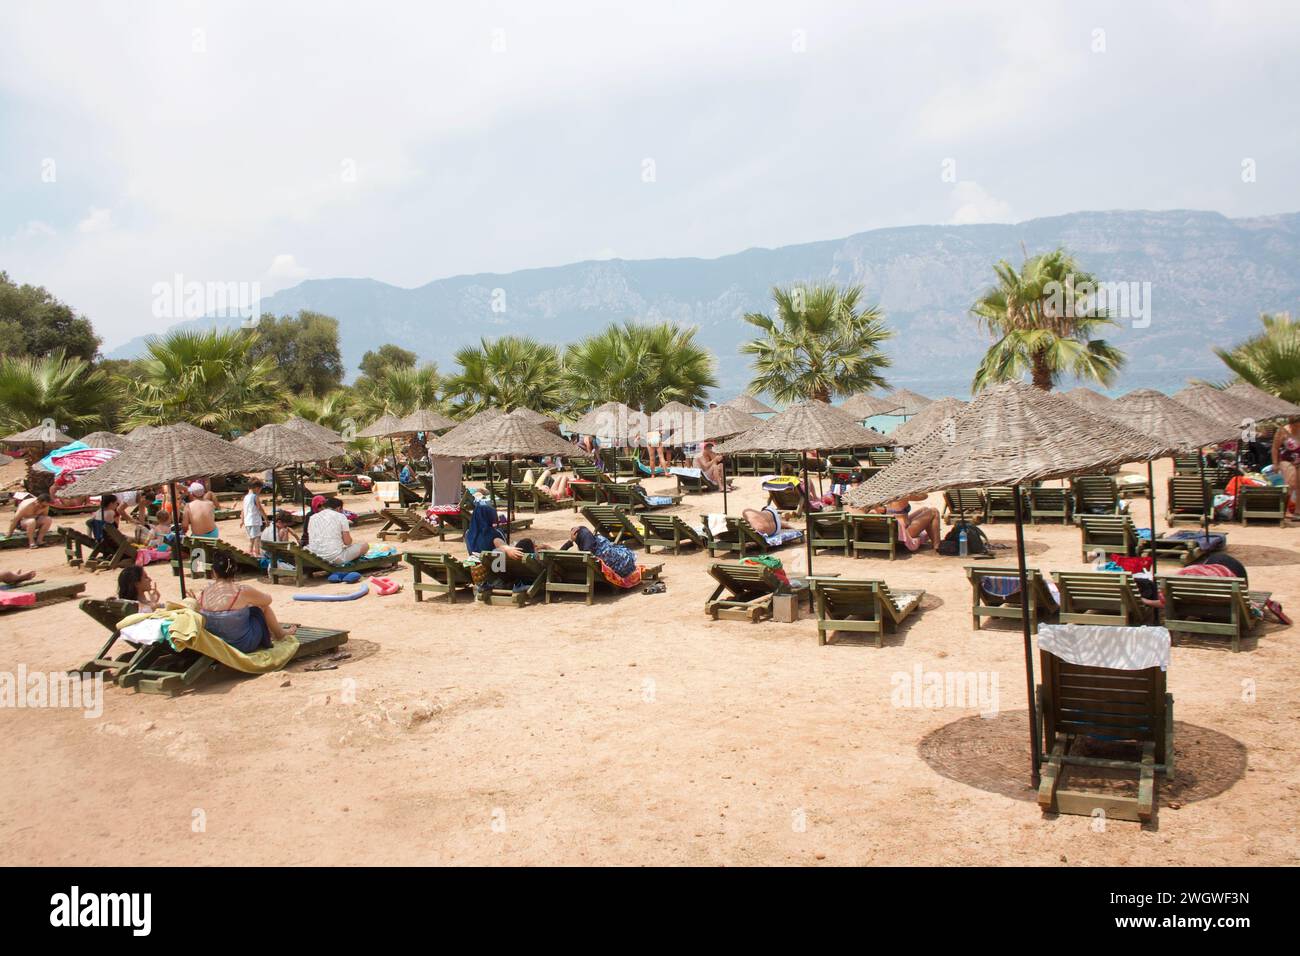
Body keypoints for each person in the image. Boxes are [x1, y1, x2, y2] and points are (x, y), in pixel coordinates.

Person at [197, 551, 295, 652]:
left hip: (215, 644)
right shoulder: (241, 590)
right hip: (242, 645)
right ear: (234, 571)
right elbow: (267, 600)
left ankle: (276, 633)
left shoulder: (205, 592)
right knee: (260, 608)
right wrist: (249, 601)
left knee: (247, 608)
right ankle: (280, 634)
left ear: (214, 572)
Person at [306, 497, 366, 564]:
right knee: (365, 545)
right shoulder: (341, 516)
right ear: (338, 508)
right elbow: (347, 542)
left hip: (315, 557)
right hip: (334, 558)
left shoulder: (312, 518)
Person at [871, 494, 941, 551]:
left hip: (895, 528)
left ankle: (934, 542)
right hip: (903, 533)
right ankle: (937, 545)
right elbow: (924, 496)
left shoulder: (889, 494)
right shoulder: (903, 495)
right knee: (934, 511)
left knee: (924, 509)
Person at [564, 525, 637, 577]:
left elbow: (560, 551)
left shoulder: (585, 555)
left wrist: (571, 541)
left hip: (610, 554)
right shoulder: (593, 555)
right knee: (623, 553)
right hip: (622, 563)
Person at [1272, 421, 1300, 511]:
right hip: (1287, 459)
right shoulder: (1283, 430)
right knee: (1291, 483)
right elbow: (1275, 448)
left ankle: (1298, 511)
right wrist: (1275, 463)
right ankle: (1285, 509)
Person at [242, 479, 267, 556]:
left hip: (247, 521)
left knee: (251, 539)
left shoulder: (245, 497)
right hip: (254, 520)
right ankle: (257, 554)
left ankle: (250, 552)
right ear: (256, 488)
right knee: (257, 538)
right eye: (260, 489)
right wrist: (266, 518)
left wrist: (242, 520)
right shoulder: (255, 496)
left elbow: (243, 510)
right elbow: (259, 508)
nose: (260, 491)